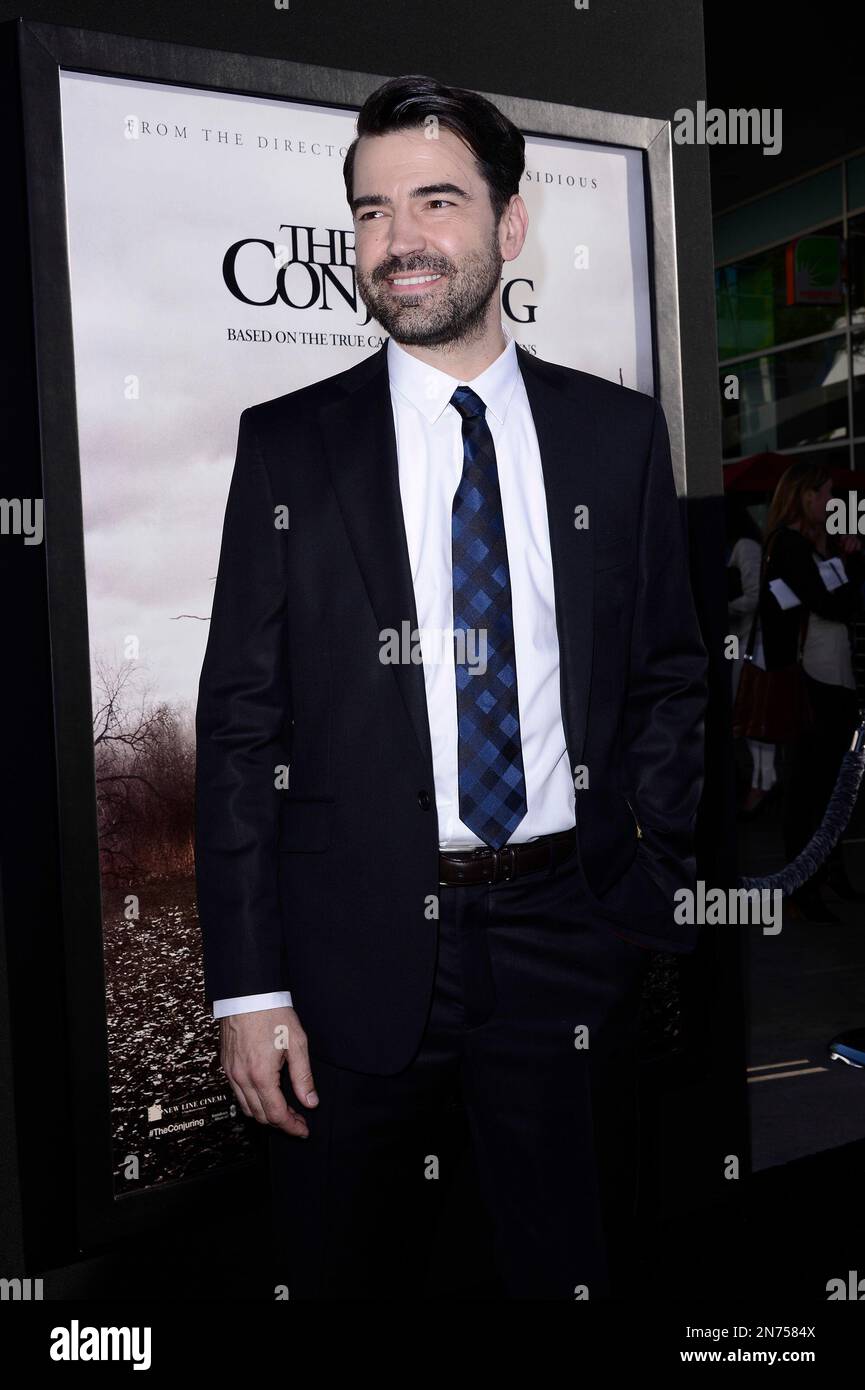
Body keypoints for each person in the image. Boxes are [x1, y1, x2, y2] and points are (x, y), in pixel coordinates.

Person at [194, 74, 709, 1300]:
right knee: (344, 1272)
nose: (399, 242)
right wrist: (249, 988)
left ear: (509, 223)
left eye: (435, 201)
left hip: (563, 935)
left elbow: (670, 674)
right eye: (371, 213)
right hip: (346, 951)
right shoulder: (289, 444)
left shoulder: (615, 437)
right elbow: (238, 727)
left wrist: (643, 880)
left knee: (572, 1262)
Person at [759, 461, 865, 922]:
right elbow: (832, 603)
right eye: (826, 494)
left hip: (832, 676)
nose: (833, 503)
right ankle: (804, 884)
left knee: (831, 782)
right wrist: (850, 561)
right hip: (810, 680)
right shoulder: (789, 546)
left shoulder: (812, 548)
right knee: (809, 786)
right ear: (805, 497)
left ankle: (828, 872)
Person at [726, 495, 777, 815]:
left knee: (752, 712)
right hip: (740, 641)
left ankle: (764, 781)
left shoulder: (744, 546)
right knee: (748, 713)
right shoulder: (741, 545)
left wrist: (725, 607)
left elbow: (756, 597)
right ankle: (762, 781)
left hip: (748, 643)